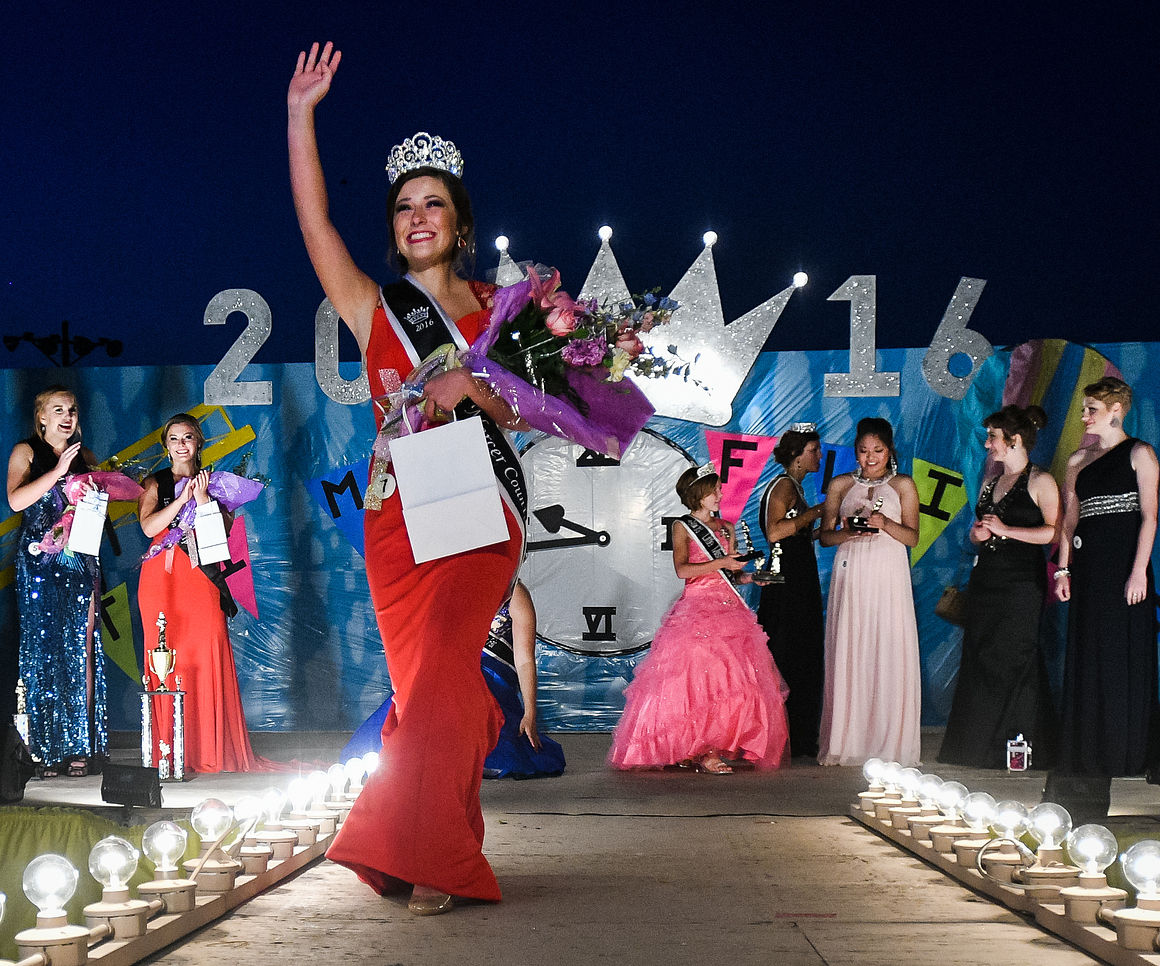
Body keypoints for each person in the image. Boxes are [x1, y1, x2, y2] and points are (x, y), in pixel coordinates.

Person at [289, 43, 528, 915]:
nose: (417, 216)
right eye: (403, 206)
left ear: (459, 221)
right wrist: (300, 113)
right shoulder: (373, 308)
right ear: (391, 226)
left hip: (482, 511)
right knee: (437, 688)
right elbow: (316, 225)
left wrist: (480, 387)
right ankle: (437, 840)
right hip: (399, 513)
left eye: (433, 203)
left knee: (436, 688)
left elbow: (547, 411)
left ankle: (423, 858)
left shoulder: (512, 310)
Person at [608, 465, 790, 774]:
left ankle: (714, 746)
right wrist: (721, 561)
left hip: (729, 610)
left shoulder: (727, 527)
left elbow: (731, 573)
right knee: (695, 683)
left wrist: (750, 577)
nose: (720, 494)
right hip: (696, 609)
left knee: (731, 682)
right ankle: (697, 750)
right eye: (714, 490)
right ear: (698, 494)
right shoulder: (683, 526)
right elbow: (683, 570)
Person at [137, 413, 264, 773]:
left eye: (188, 437)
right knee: (167, 657)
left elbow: (217, 541)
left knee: (206, 651)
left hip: (200, 578)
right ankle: (169, 751)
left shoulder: (217, 484)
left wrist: (204, 498)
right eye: (174, 438)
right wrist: (182, 502)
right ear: (166, 446)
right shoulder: (154, 484)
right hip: (161, 581)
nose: (181, 445)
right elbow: (149, 528)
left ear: (198, 443)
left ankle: (210, 748)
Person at [341, 582, 566, 779]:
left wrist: (529, 713)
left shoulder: (515, 593)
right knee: (423, 692)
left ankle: (436, 755)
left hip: (492, 683)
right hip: (455, 671)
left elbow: (525, 660)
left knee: (487, 732)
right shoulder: (455, 585)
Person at [938, 405, 1059, 769]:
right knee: (980, 656)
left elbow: (1054, 531)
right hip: (986, 580)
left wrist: (1007, 530)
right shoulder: (991, 482)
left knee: (1015, 658)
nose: (988, 444)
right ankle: (976, 747)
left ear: (1014, 440)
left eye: (993, 437)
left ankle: (1019, 746)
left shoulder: (1041, 481)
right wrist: (978, 535)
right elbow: (981, 530)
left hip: (1021, 583)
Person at [1054, 377, 1159, 779]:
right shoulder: (1077, 461)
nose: (1083, 417)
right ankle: (1087, 749)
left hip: (1124, 570)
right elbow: (1070, 519)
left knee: (1120, 656)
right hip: (1088, 570)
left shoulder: (1140, 453)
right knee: (1088, 652)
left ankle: (1125, 751)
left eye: (1091, 409)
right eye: (1083, 409)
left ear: (1116, 410)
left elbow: (1149, 517)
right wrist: (1063, 568)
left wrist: (1138, 572)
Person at [6, 386, 107, 775]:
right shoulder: (25, 452)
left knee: (80, 652)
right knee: (43, 654)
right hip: (39, 564)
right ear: (43, 418)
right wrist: (57, 474)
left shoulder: (88, 457)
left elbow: (96, 518)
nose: (68, 416)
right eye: (58, 409)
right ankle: (46, 748)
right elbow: (16, 502)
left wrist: (95, 499)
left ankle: (80, 746)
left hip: (79, 562)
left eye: (73, 410)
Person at [817, 417, 921, 767]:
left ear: (889, 450)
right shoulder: (840, 485)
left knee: (887, 649)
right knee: (852, 647)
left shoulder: (904, 484)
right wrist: (848, 532)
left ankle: (889, 741)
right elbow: (824, 535)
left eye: (877, 450)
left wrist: (885, 524)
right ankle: (849, 739)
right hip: (852, 572)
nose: (870, 457)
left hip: (889, 576)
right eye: (863, 451)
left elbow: (912, 538)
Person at [757, 423, 825, 758]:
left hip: (797, 577)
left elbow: (795, 536)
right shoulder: (783, 485)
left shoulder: (795, 486)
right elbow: (774, 533)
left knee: (800, 654)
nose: (819, 456)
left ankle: (798, 735)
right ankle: (785, 736)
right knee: (789, 654)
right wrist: (817, 512)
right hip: (785, 583)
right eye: (813, 450)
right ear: (797, 455)